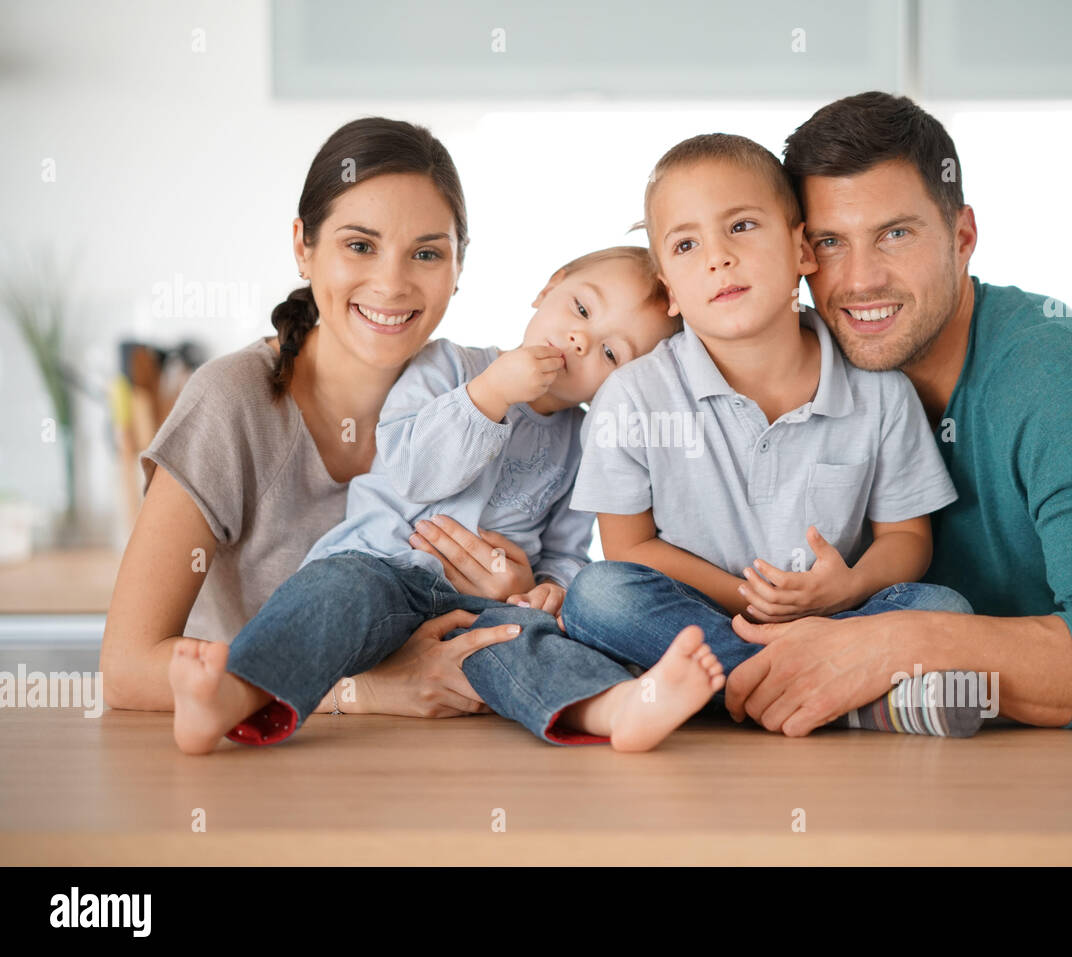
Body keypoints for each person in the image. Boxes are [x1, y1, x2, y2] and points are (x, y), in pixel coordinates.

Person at [723, 91, 1072, 736]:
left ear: (962, 237)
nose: (860, 281)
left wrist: (895, 643)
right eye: (830, 242)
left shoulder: (1059, 377)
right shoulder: (818, 368)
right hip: (991, 735)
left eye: (895, 234)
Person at [169, 245, 733, 755]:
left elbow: (566, 548)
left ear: (622, 389)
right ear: (548, 287)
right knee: (329, 597)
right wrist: (489, 396)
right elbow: (410, 470)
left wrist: (546, 591)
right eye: (581, 311)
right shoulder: (450, 366)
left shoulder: (584, 443)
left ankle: (613, 709)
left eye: (611, 355)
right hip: (380, 566)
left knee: (520, 641)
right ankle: (235, 695)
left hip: (481, 606)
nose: (581, 342)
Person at [103, 117, 540, 721]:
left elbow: (451, 655)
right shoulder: (232, 402)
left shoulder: (493, 401)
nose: (391, 284)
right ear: (302, 247)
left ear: (459, 266)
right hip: (271, 764)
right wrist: (361, 692)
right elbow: (127, 669)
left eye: (427, 253)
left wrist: (511, 596)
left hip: (441, 770)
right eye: (360, 245)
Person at [560, 133, 987, 738]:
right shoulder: (633, 397)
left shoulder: (879, 391)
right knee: (598, 595)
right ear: (671, 291)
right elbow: (628, 550)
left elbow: (907, 537)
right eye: (687, 244)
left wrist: (847, 588)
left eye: (741, 227)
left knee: (945, 609)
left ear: (802, 249)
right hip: (707, 615)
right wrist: (750, 598)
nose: (718, 258)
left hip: (838, 617)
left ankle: (742, 690)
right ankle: (832, 694)